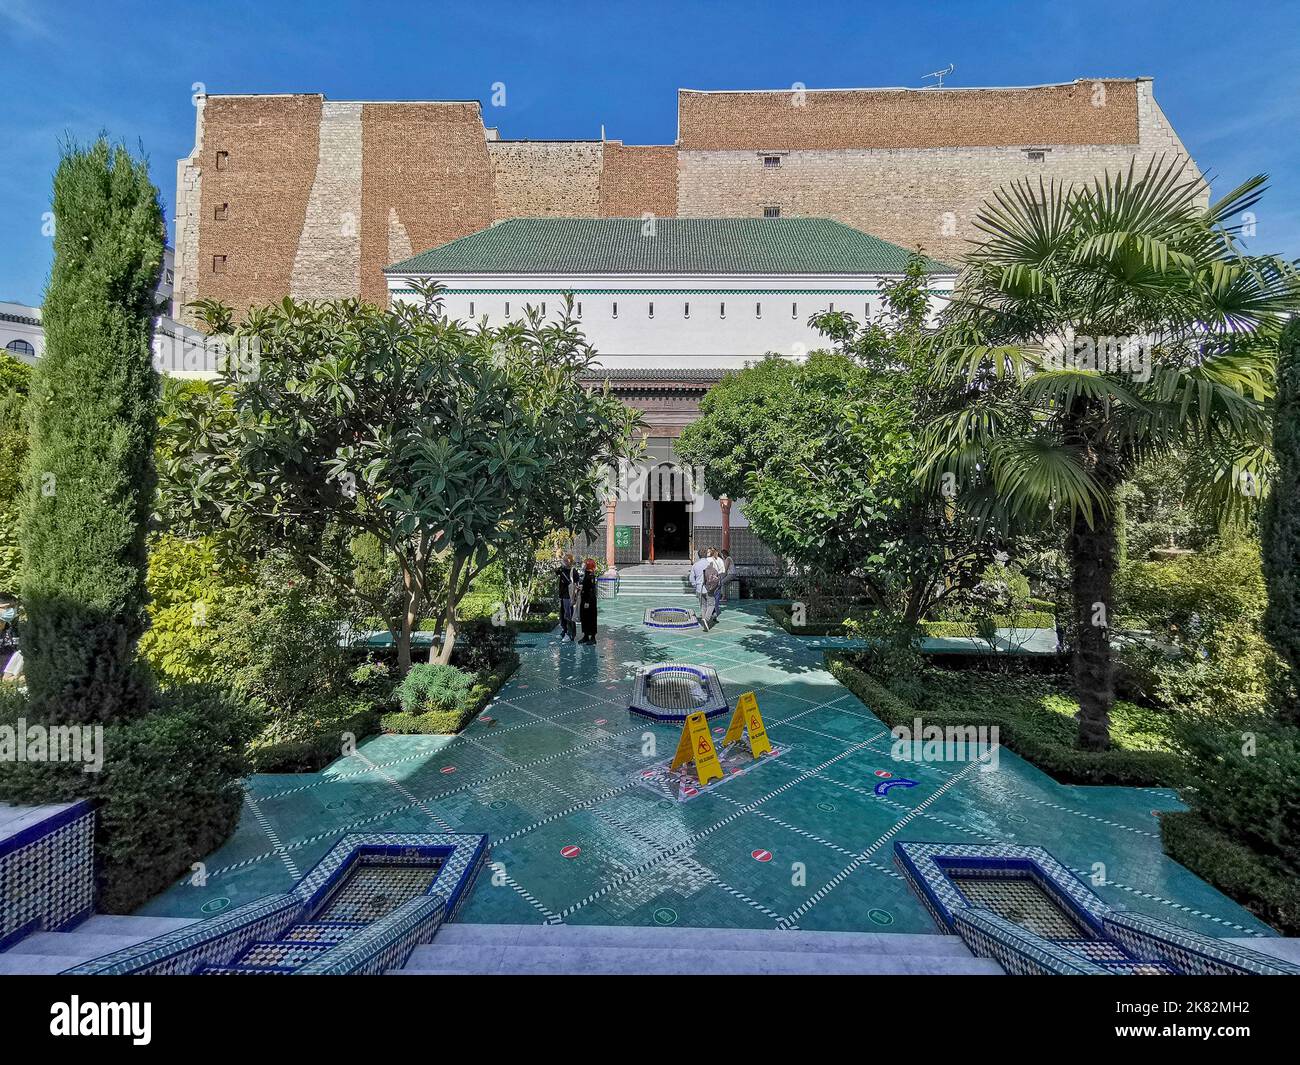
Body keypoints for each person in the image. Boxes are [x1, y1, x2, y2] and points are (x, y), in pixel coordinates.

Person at [554, 552, 581, 642]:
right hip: (562, 595)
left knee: (568, 615)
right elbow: (554, 575)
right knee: (562, 615)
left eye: (566, 561)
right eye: (563, 560)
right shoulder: (561, 569)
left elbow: (577, 584)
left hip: (568, 596)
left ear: (570, 561)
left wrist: (575, 597)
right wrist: (542, 582)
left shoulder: (573, 571)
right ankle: (564, 631)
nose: (564, 562)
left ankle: (570, 634)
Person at [690, 548, 717, 631]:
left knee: (703, 605)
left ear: (698, 555)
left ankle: (704, 622)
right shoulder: (710, 564)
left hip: (699, 588)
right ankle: (706, 619)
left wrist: (696, 586)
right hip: (709, 588)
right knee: (711, 604)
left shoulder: (695, 565)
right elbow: (715, 576)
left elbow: (691, 578)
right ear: (706, 555)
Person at [577, 558, 599, 644]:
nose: (583, 565)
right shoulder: (586, 574)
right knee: (584, 618)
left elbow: (591, 590)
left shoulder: (591, 576)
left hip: (589, 601)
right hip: (585, 599)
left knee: (591, 618)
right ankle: (586, 636)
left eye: (585, 564)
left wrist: (587, 602)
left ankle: (593, 638)